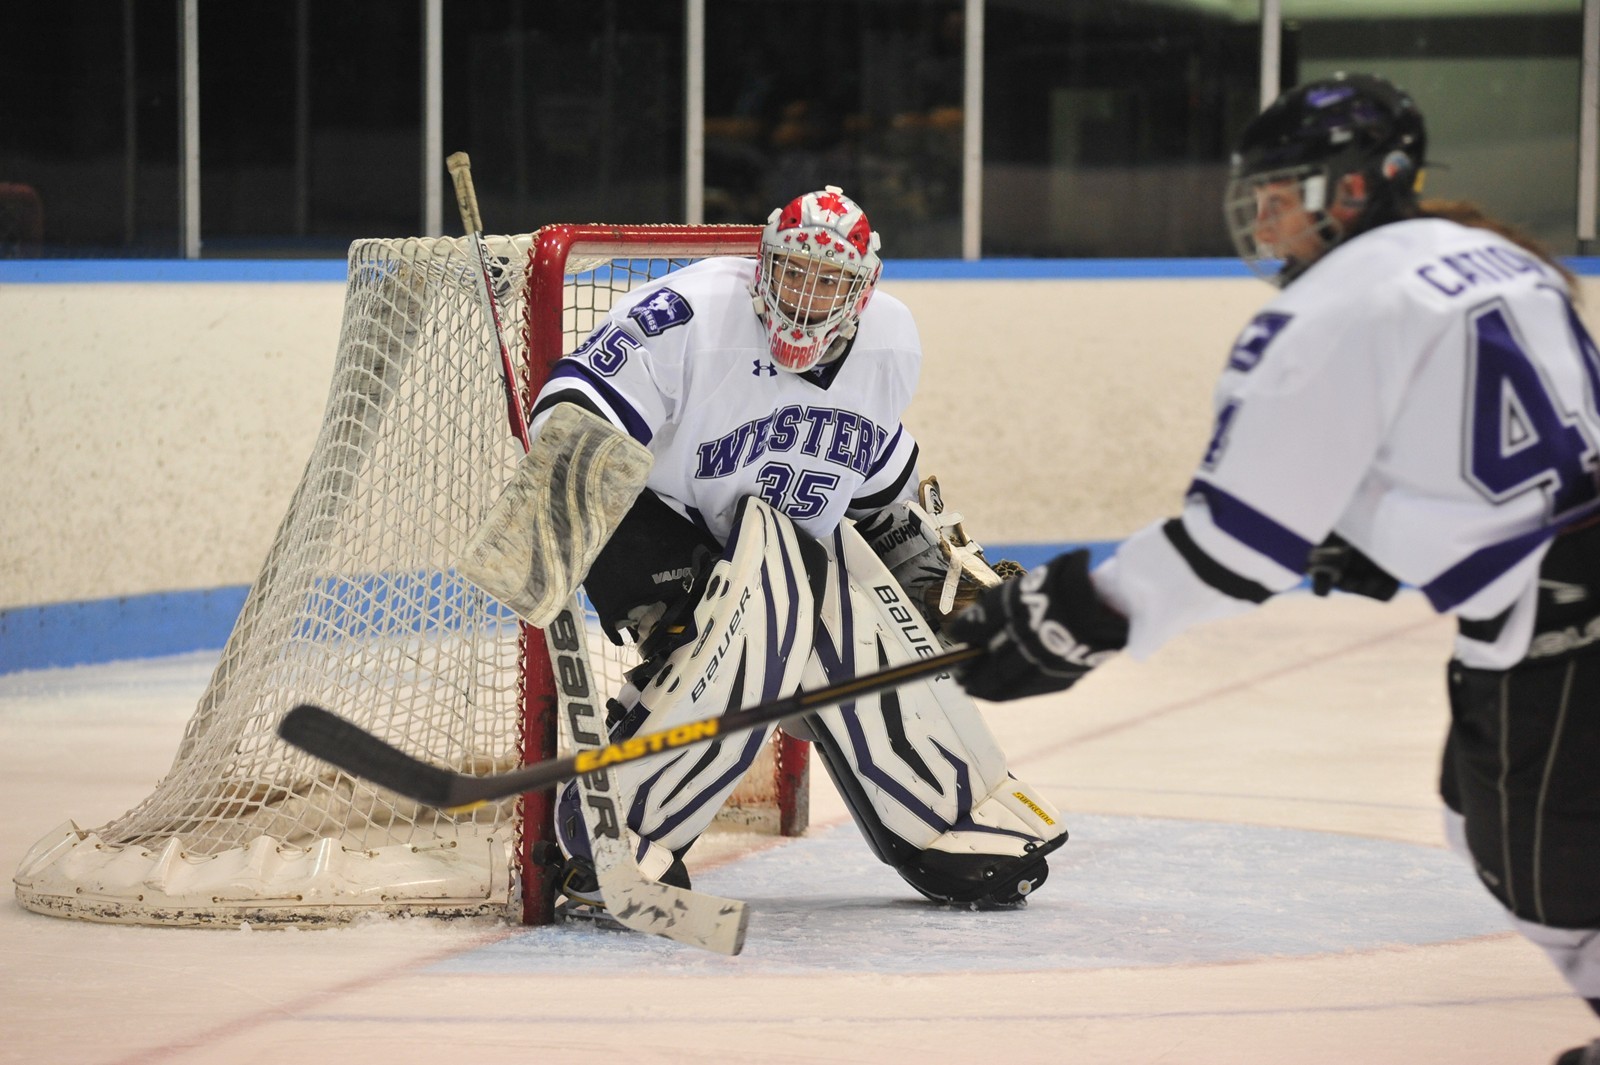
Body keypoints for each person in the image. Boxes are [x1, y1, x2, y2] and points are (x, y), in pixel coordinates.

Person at [946, 73, 1600, 1064]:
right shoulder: (1496, 256)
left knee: (1543, 870)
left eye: (1281, 195)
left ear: (1354, 187)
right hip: (1565, 586)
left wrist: (1072, 615)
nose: (1263, 221)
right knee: (1476, 810)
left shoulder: (1331, 307)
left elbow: (1236, 542)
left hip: (1556, 620)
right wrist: (1379, 531)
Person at [486, 186, 1067, 915]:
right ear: (766, 263)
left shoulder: (890, 343)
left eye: (828, 282)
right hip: (654, 530)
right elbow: (576, 409)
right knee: (765, 600)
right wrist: (561, 488)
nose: (804, 296)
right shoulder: (692, 313)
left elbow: (877, 494)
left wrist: (931, 578)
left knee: (853, 620)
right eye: (794, 272)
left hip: (782, 552)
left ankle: (948, 818)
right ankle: (617, 826)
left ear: (861, 291)